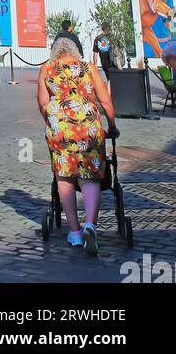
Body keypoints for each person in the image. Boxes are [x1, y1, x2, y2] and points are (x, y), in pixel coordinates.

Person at [38, 35, 115, 254]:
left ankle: (74, 232)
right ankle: (90, 223)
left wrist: (53, 123)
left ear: (55, 52)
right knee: (89, 177)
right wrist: (112, 124)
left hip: (61, 128)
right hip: (88, 127)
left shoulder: (47, 69)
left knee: (64, 177)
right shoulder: (88, 68)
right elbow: (105, 101)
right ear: (75, 51)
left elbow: (43, 103)